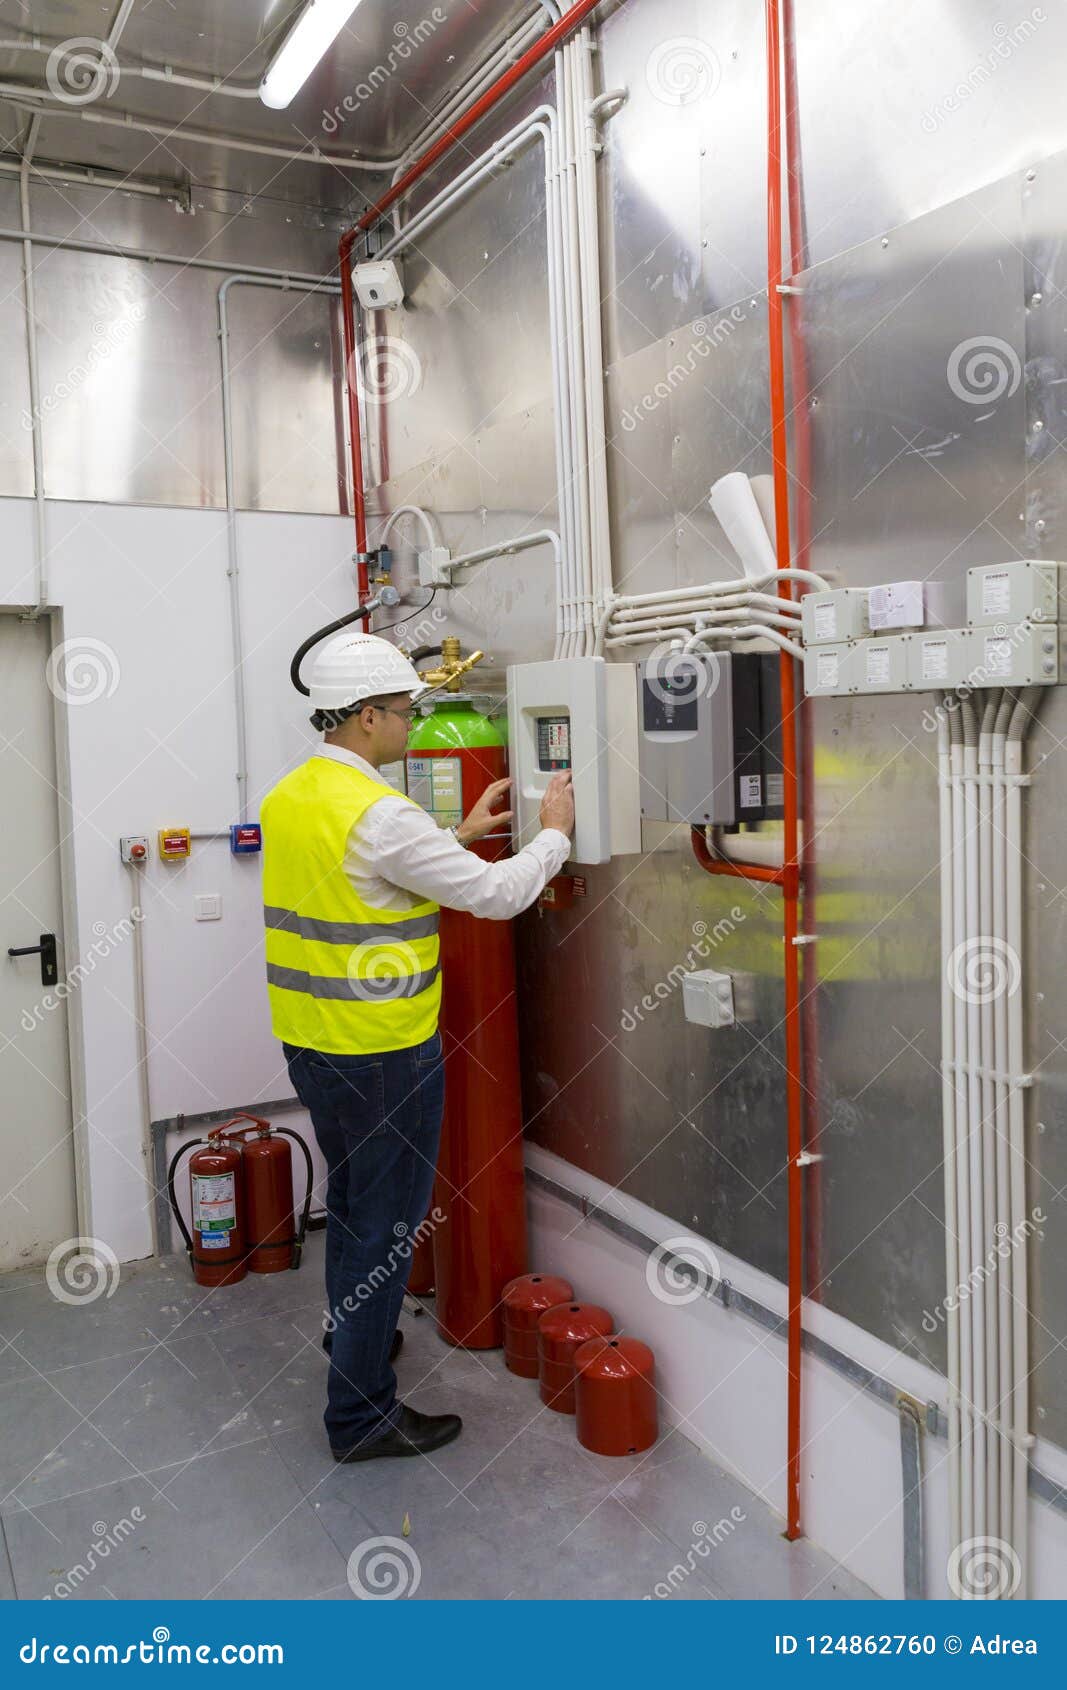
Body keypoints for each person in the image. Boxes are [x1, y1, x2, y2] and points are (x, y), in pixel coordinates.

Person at [261, 633, 574, 1463]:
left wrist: (453, 834)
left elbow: (366, 875)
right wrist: (554, 835)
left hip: (312, 1043)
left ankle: (352, 1340)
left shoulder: (294, 794)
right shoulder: (382, 815)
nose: (411, 724)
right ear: (366, 716)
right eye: (404, 712)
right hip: (382, 1054)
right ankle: (360, 1417)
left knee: (355, 1207)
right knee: (384, 1228)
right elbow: (498, 895)